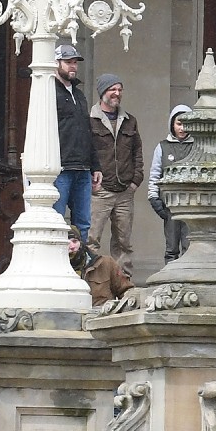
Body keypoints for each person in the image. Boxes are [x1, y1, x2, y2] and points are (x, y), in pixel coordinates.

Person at [87, 72, 144, 277]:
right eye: (112, 89)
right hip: (100, 191)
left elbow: (137, 151)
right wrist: (92, 180)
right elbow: (86, 151)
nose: (117, 93)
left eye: (119, 89)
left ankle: (123, 283)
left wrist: (136, 180)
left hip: (125, 191)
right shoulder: (90, 120)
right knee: (91, 239)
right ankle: (91, 282)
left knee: (124, 242)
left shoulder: (130, 121)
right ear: (102, 92)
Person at [52, 43, 94, 238]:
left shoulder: (79, 94)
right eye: (68, 62)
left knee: (83, 224)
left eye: (75, 62)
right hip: (60, 168)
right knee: (56, 221)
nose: (73, 67)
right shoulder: (49, 91)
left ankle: (81, 267)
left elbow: (87, 131)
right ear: (56, 63)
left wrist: (96, 166)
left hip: (83, 169)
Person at [147, 105, 193, 263]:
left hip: (191, 206)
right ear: (172, 124)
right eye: (179, 123)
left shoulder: (196, 146)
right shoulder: (162, 147)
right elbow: (155, 175)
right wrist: (154, 200)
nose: (182, 128)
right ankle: (171, 281)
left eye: (186, 124)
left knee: (189, 246)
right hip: (170, 206)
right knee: (171, 248)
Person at [67, 227, 132, 306]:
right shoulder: (54, 270)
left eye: (75, 241)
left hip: (102, 315)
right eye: (67, 243)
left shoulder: (106, 264)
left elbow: (127, 291)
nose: (72, 246)